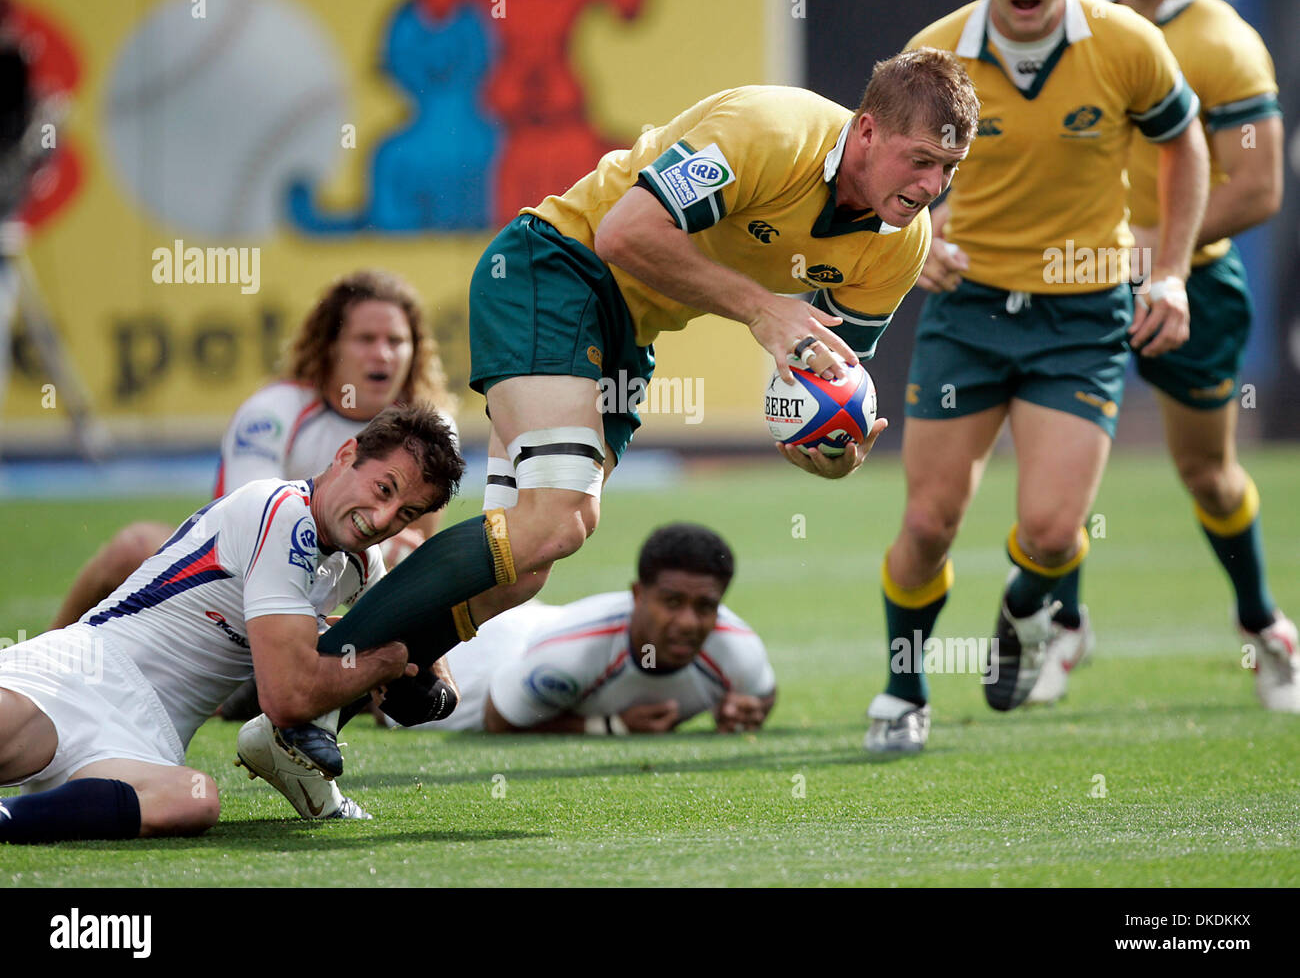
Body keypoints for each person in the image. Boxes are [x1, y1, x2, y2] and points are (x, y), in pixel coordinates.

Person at [276, 50, 979, 776]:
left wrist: (835, 448)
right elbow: (623, 233)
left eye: (948, 170)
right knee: (558, 515)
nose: (931, 185)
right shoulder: (772, 131)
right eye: (920, 158)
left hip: (623, 330)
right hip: (554, 267)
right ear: (866, 131)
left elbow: (831, 380)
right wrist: (762, 309)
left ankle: (346, 687)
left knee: (526, 567)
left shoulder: (902, 245)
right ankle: (310, 680)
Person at [864, 0, 1210, 758]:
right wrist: (921, 239)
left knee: (1055, 533)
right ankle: (904, 688)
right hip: (969, 312)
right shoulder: (935, 52)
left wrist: (1169, 272)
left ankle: (1025, 616)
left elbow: (1186, 147)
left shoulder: (1125, 43)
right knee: (930, 522)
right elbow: (881, 167)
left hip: (1082, 316)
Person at [1026, 0, 1293, 708]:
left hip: (1195, 285)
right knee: (1057, 474)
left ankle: (1263, 625)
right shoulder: (1084, 26)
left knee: (1207, 475)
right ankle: (1065, 622)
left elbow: (1261, 186)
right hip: (1084, 282)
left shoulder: (1226, 41)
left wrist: (1157, 248)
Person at [0, 405, 462, 843]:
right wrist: (387, 663)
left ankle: (9, 820)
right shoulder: (282, 510)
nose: (383, 519)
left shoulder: (358, 563)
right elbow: (287, 697)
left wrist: (436, 681)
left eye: (406, 513)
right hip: (83, 672)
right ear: (347, 456)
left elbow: (410, 630)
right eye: (384, 489)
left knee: (193, 801)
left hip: (151, 735)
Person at [50, 269, 457, 632]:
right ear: (333, 344)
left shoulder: (433, 434)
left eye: (396, 341)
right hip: (238, 570)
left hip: (350, 580)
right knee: (133, 546)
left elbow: (409, 541)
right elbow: (256, 520)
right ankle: (45, 654)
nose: (382, 354)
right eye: (366, 339)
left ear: (415, 350)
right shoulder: (274, 411)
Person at [417, 524, 774, 733]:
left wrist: (745, 709)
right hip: (492, 653)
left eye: (706, 607)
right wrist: (610, 726)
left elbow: (764, 692)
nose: (687, 623)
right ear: (637, 594)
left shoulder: (738, 647)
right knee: (390, 694)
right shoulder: (568, 656)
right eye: (672, 602)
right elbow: (499, 717)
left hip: (546, 626)